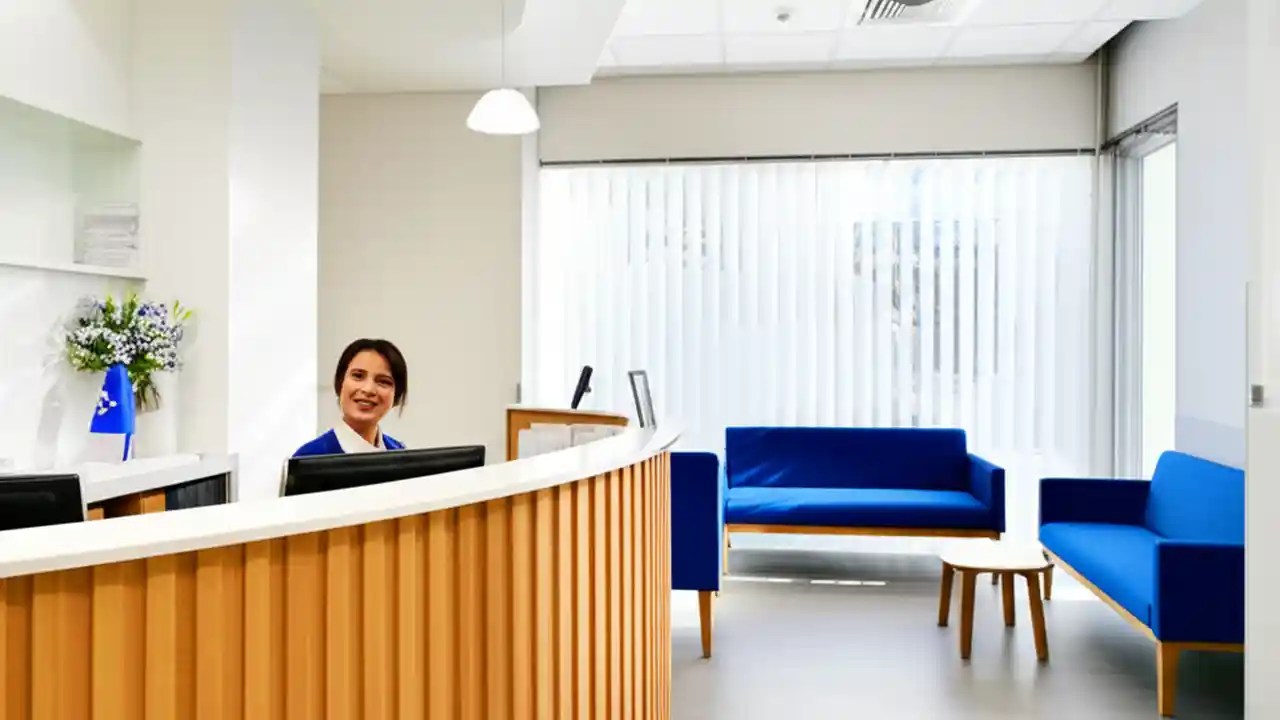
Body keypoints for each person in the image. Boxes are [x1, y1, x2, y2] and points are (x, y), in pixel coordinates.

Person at [294, 338, 408, 456]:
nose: (368, 389)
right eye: (358, 376)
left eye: (383, 381)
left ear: (396, 394)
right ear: (340, 382)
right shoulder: (309, 457)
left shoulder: (400, 455)